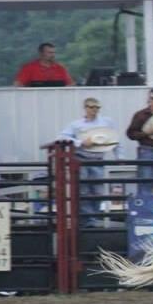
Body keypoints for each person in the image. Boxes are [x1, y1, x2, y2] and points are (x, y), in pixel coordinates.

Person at [58, 97, 119, 227]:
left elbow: (115, 139)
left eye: (96, 107)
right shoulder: (76, 124)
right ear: (85, 108)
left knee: (98, 191)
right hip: (81, 158)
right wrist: (80, 142)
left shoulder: (107, 122)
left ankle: (92, 218)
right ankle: (89, 220)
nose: (94, 110)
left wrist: (120, 156)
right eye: (91, 107)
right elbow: (62, 136)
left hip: (97, 158)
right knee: (83, 190)